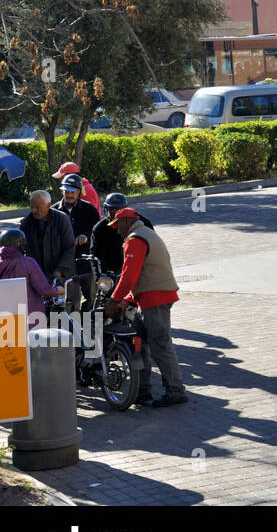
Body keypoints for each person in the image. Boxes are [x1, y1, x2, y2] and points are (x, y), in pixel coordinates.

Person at [104, 207, 187, 408]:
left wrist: (114, 299)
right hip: (154, 297)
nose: (116, 230)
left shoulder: (135, 240)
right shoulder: (147, 234)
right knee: (138, 343)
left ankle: (175, 391)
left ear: (125, 222)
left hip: (155, 300)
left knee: (160, 345)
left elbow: (129, 276)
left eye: (117, 225)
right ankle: (142, 390)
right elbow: (144, 274)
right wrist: (129, 300)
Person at [19, 190, 75, 307]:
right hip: (37, 277)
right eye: (32, 207)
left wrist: (60, 269)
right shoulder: (26, 224)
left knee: (64, 312)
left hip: (61, 275)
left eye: (38, 207)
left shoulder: (62, 220)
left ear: (48, 206)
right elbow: (19, 250)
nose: (34, 211)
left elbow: (69, 247)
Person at [0, 228, 64, 330]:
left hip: (4, 318)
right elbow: (45, 290)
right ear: (21, 245)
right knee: (32, 344)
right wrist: (58, 290)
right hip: (29, 318)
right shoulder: (28, 263)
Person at [52, 174, 99, 307]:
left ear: (79, 192)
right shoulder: (54, 211)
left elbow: (96, 229)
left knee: (91, 297)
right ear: (62, 191)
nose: (69, 195)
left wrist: (86, 235)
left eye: (72, 192)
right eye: (66, 191)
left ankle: (91, 325)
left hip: (85, 261)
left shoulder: (89, 209)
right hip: (65, 262)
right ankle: (72, 325)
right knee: (70, 300)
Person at [90, 193, 154, 274]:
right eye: (112, 209)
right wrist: (100, 276)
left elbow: (150, 251)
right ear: (106, 208)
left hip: (139, 270)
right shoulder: (100, 228)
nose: (116, 212)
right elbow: (95, 254)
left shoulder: (144, 223)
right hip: (111, 273)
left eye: (119, 209)